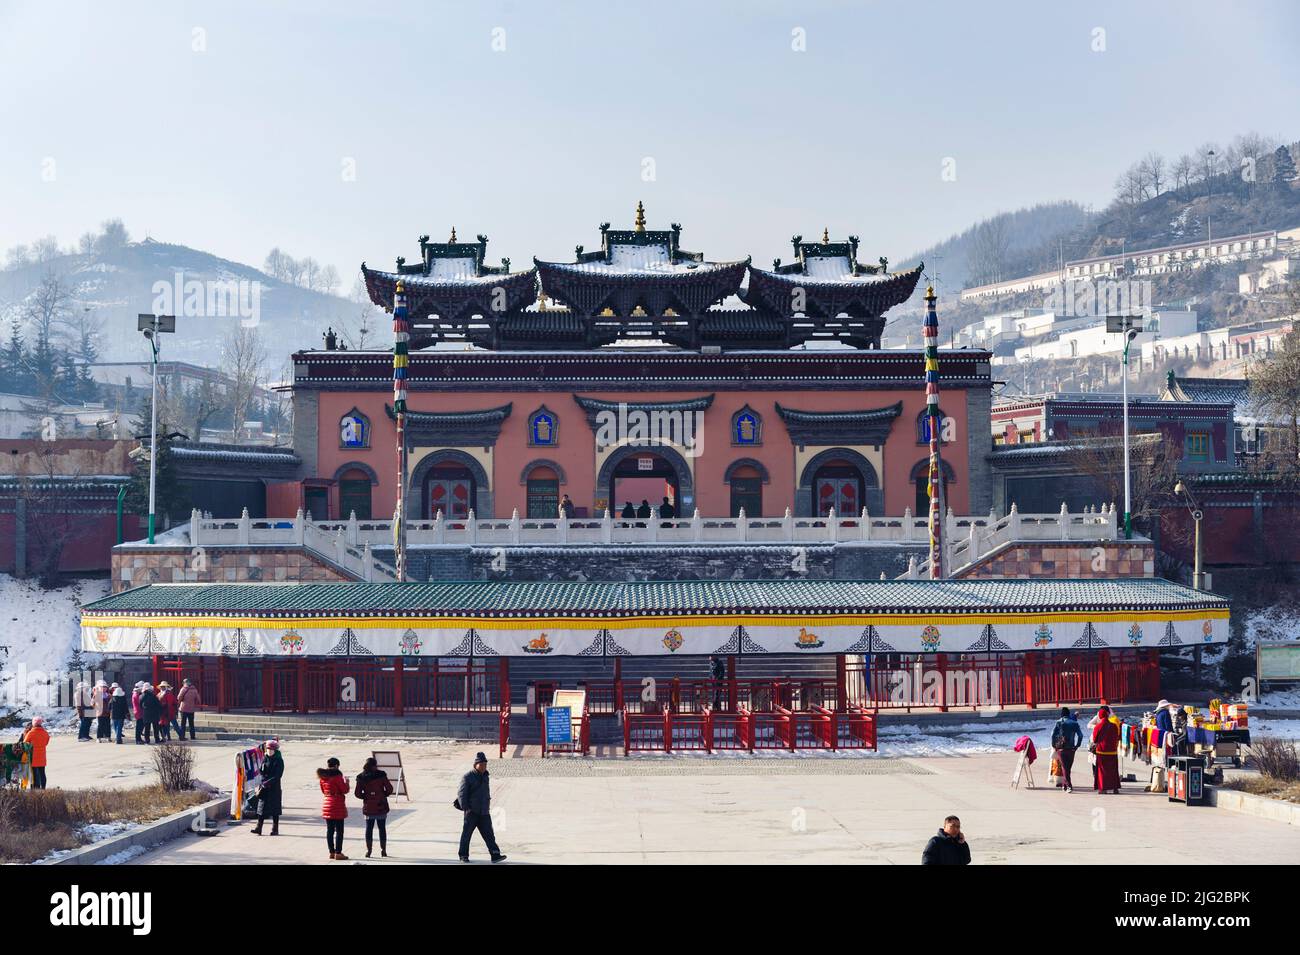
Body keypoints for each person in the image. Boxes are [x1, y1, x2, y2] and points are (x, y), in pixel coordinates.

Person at [457, 751, 506, 863]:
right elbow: (461, 794)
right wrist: (466, 808)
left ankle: (495, 855)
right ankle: (463, 856)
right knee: (466, 835)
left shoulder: (486, 776)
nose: (484, 767)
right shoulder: (468, 777)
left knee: (489, 835)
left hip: (484, 812)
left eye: (485, 764)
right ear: (476, 765)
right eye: (481, 764)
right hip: (472, 812)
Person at [355, 756, 395, 858]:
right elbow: (390, 789)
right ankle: (383, 850)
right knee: (382, 828)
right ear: (375, 765)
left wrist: (367, 797)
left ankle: (369, 851)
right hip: (381, 805)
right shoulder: (381, 775)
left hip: (369, 807)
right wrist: (382, 795)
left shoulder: (361, 777)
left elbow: (357, 793)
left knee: (369, 829)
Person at [318, 757, 350, 860]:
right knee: (340, 830)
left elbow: (323, 791)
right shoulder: (337, 776)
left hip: (327, 803)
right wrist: (347, 782)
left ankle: (331, 852)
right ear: (336, 765)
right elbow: (344, 790)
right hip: (337, 804)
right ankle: (338, 852)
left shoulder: (323, 777)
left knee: (330, 830)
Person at [252, 740, 283, 836]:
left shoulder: (279, 760)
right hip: (264, 787)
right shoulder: (265, 758)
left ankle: (275, 829)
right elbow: (261, 770)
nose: (269, 751)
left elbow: (278, 775)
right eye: (268, 749)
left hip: (274, 788)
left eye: (271, 749)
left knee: (274, 809)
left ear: (275, 750)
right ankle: (259, 827)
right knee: (261, 808)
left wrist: (267, 782)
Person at [1050, 706, 1083, 792]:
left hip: (1061, 748)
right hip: (1071, 748)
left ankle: (1068, 786)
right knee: (1068, 767)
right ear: (1069, 714)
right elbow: (1080, 735)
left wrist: (1054, 745)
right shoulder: (1074, 723)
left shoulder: (1059, 722)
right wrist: (1077, 745)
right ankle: (1065, 785)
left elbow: (1052, 735)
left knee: (1065, 768)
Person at [1091, 705, 1121, 794]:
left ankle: (1103, 788)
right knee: (1113, 770)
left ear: (1100, 716)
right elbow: (1117, 737)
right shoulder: (1114, 726)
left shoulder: (1097, 727)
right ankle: (1115, 788)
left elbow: (1095, 739)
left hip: (1101, 751)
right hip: (1112, 751)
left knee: (1102, 771)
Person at [23, 716, 50, 789]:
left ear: (33, 724)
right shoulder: (45, 733)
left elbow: (25, 743)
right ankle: (43, 787)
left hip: (33, 757)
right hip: (42, 756)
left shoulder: (31, 733)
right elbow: (46, 742)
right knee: (42, 773)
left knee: (34, 774)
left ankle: (35, 788)